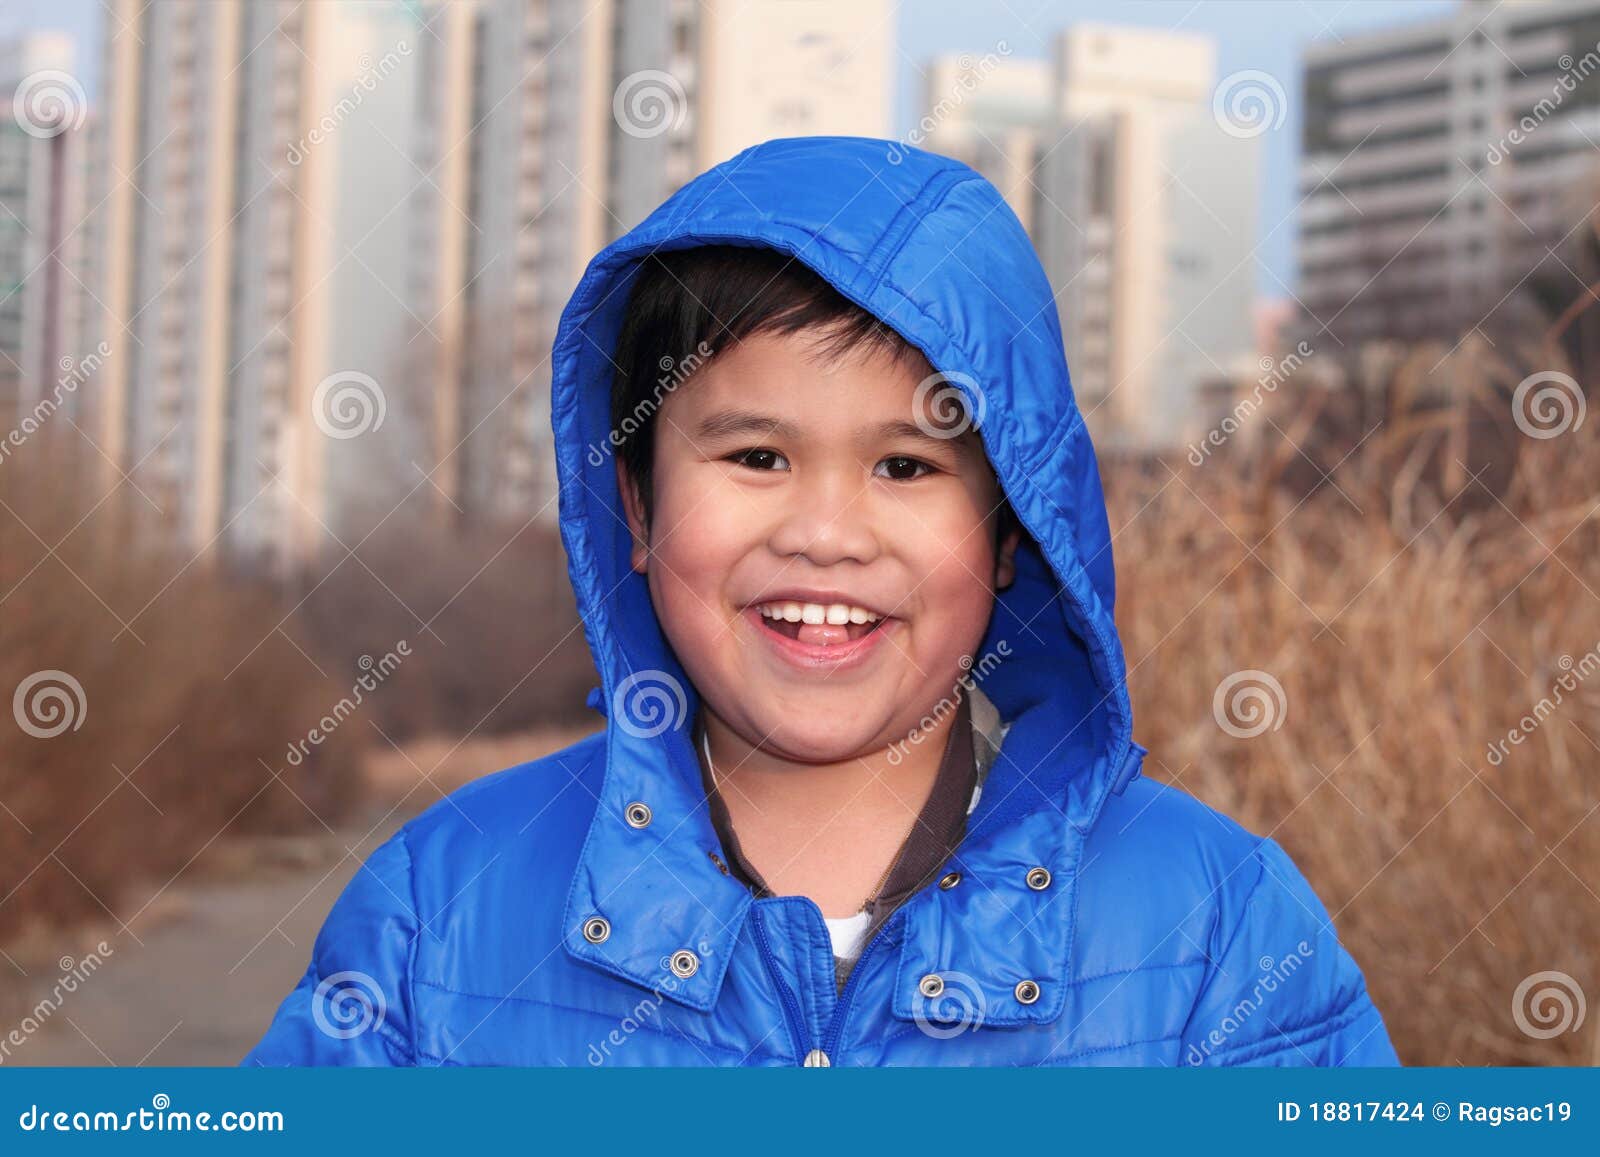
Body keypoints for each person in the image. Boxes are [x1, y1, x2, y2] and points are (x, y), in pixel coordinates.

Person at [243, 136, 1399, 1066]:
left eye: (906, 466)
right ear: (637, 511)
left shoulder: (1216, 931)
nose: (826, 535)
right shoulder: (438, 911)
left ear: (1009, 535)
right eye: (755, 456)